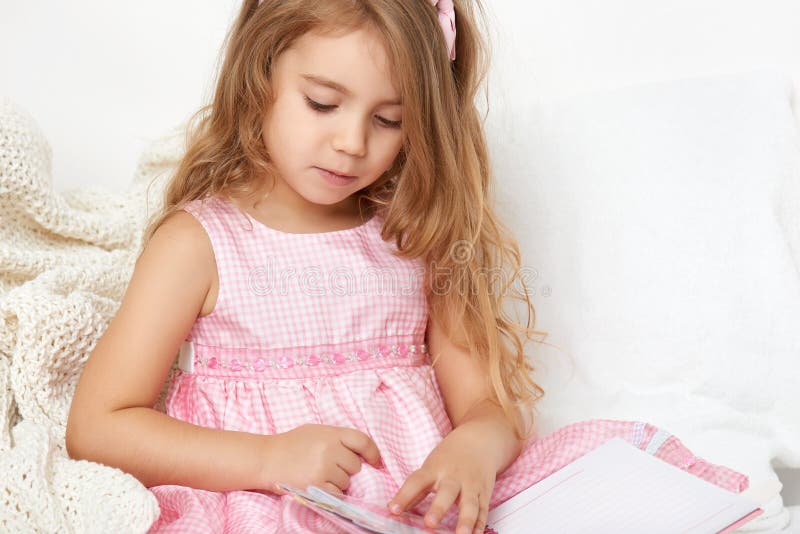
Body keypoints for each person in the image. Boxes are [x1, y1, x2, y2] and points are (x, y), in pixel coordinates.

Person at [65, 1, 750, 533]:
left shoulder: (416, 240)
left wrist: (474, 449)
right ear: (260, 73)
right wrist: (268, 460)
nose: (352, 143)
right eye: (323, 103)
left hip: (416, 509)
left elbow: (487, 405)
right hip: (269, 504)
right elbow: (99, 424)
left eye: (390, 119)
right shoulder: (201, 244)